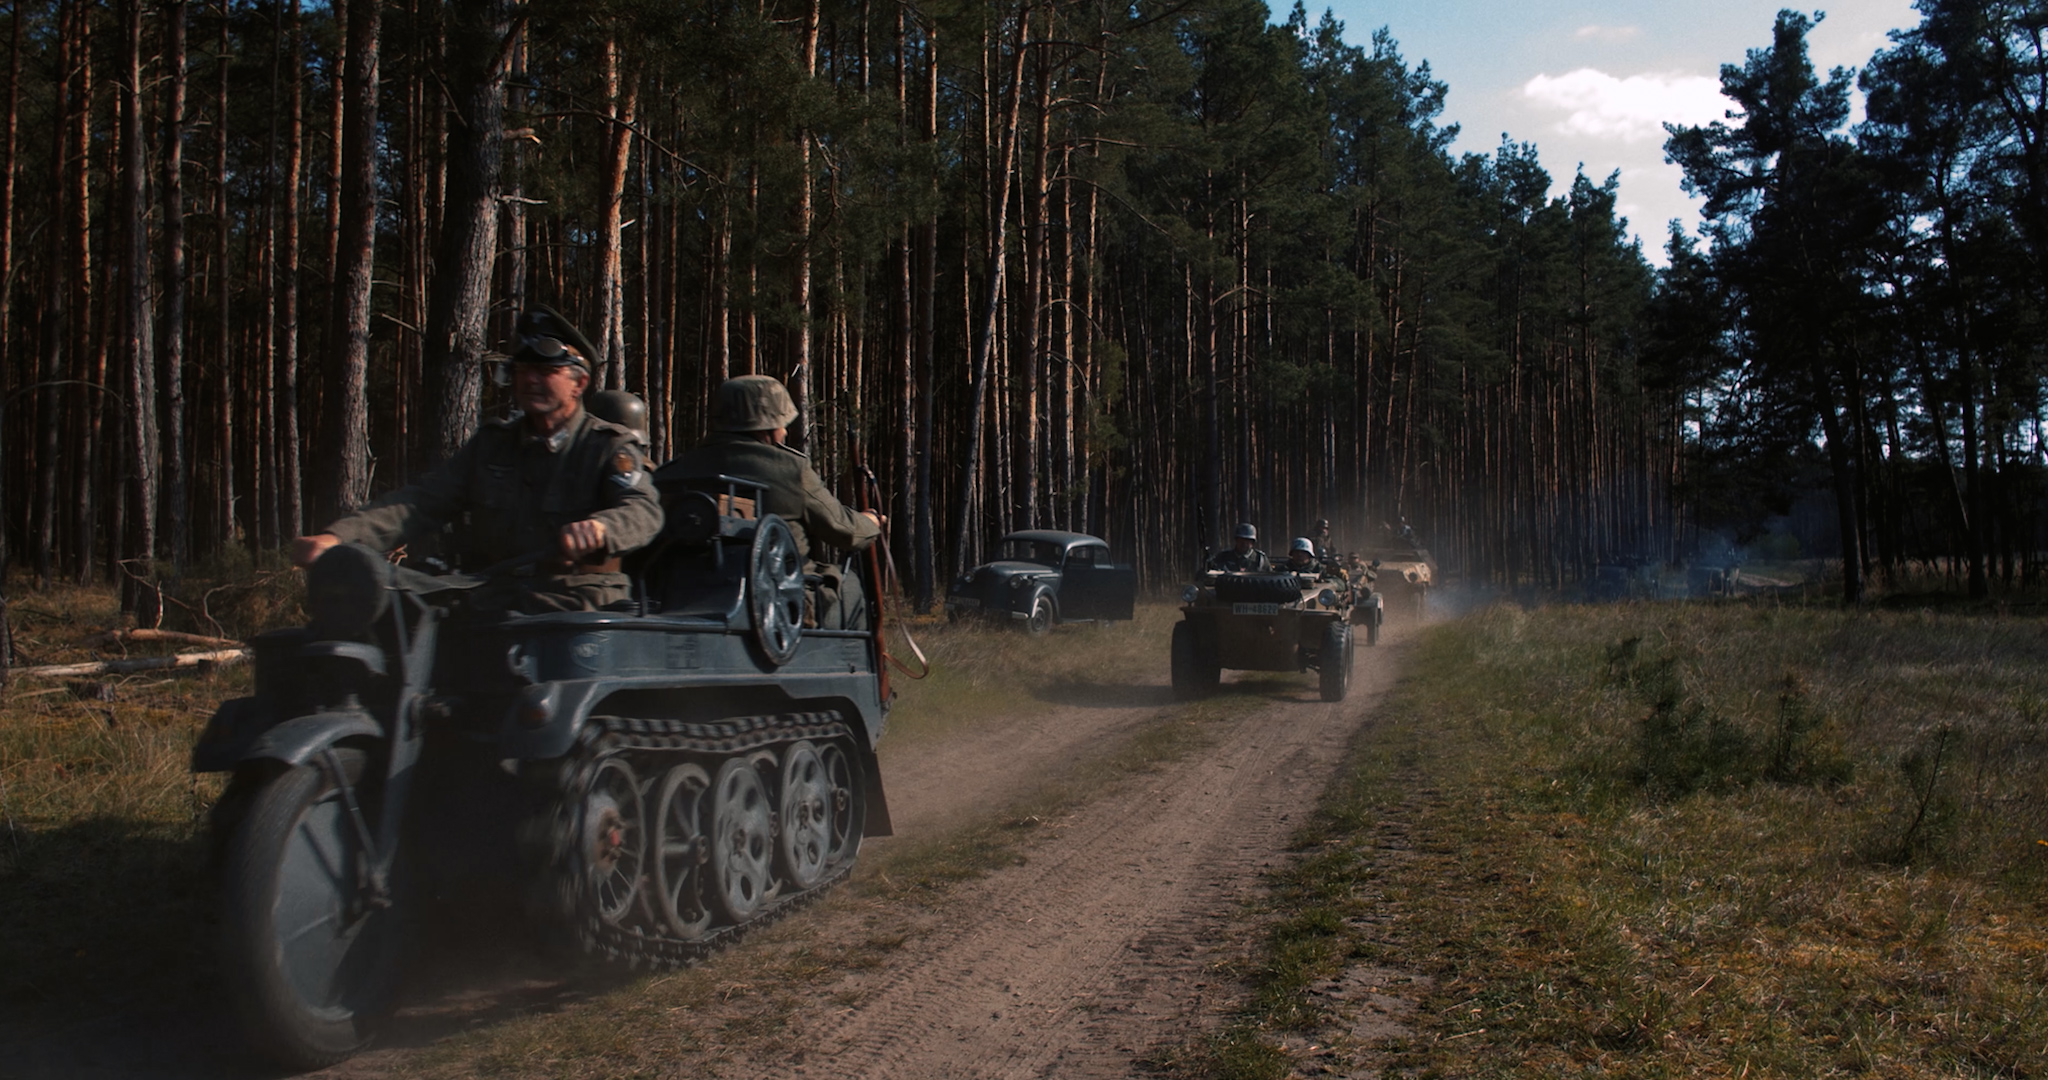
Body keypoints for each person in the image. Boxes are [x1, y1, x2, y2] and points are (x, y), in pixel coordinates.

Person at [290, 306, 663, 613]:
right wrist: (337, 537)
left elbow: (643, 511)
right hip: (491, 593)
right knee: (382, 599)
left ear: (578, 383)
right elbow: (418, 504)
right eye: (522, 370)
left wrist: (601, 529)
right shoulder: (493, 445)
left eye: (545, 371)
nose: (530, 380)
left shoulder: (605, 446)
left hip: (576, 603)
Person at [657, 374, 881, 624]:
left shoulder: (674, 471)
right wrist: (870, 522)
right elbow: (844, 530)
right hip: (780, 605)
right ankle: (861, 664)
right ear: (767, 427)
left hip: (685, 598)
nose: (785, 432)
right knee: (849, 585)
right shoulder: (790, 469)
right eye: (782, 424)